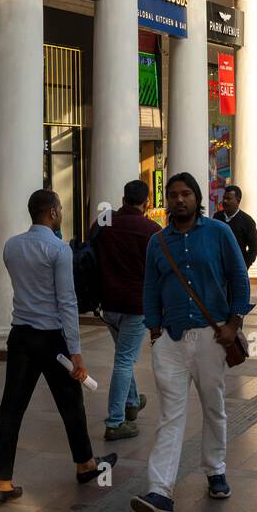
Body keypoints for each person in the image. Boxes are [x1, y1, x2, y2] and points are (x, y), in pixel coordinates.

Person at [131, 172, 252, 512]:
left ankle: (215, 469)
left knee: (213, 407)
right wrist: (154, 332)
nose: (179, 200)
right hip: (170, 339)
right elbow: (150, 287)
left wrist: (234, 323)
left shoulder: (218, 232)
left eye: (186, 194)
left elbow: (239, 277)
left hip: (210, 337)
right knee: (171, 415)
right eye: (173, 195)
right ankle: (160, 490)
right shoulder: (158, 241)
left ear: (198, 199)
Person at [0, 189, 116, 503]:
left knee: (11, 408)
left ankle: (3, 482)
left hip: (20, 336)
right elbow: (67, 302)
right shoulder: (59, 250)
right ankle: (85, 463)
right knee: (70, 403)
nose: (61, 211)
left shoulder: (11, 246)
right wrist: (77, 353)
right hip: (52, 339)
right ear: (51, 213)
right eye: (60, 207)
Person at [96, 179, 159, 441]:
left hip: (107, 303)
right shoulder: (151, 230)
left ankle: (132, 401)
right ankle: (115, 421)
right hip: (135, 304)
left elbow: (90, 253)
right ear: (146, 203)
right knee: (124, 360)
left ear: (122, 200)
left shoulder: (104, 222)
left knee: (123, 355)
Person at [213, 185, 257, 270]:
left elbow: (255, 247)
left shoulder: (247, 221)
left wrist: (245, 265)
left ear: (238, 201)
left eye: (228, 198)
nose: (224, 201)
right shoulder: (217, 217)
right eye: (224, 198)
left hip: (237, 268)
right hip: (217, 267)